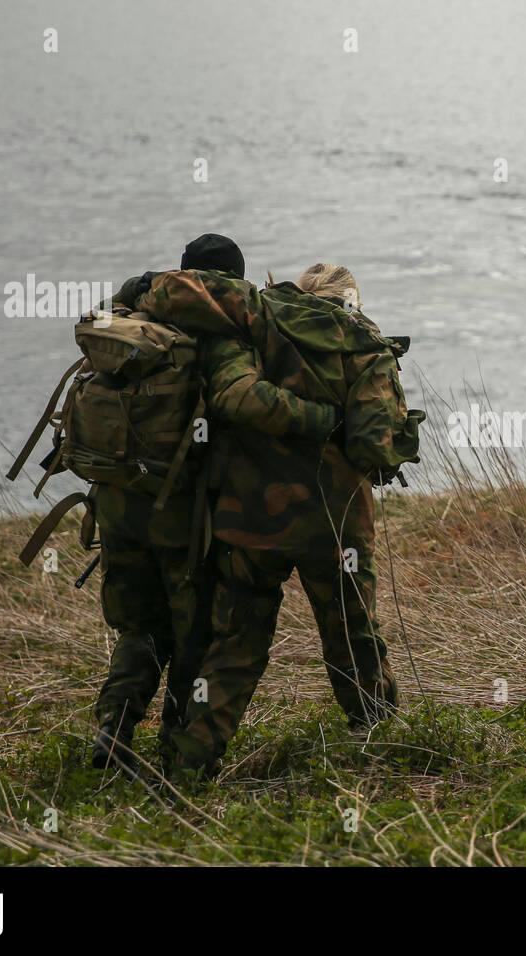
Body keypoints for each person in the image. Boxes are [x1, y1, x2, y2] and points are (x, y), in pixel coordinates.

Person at [90, 234, 340, 773]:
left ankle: (112, 728)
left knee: (140, 626)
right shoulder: (229, 321)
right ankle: (178, 750)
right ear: (235, 275)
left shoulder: (136, 303)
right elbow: (240, 398)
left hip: (114, 498)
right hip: (179, 509)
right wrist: (324, 422)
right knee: (194, 632)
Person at [146, 264, 403, 775]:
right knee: (352, 633)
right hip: (337, 525)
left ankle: (192, 763)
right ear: (351, 300)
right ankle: (377, 735)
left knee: (235, 645)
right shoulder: (366, 346)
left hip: (249, 518)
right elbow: (375, 446)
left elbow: (229, 392)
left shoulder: (257, 324)